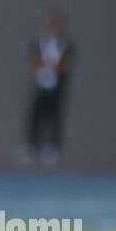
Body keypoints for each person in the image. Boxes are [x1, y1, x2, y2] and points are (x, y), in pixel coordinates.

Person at [25, 11, 74, 165]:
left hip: (57, 87)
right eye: (50, 23)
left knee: (55, 118)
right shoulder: (38, 43)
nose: (53, 26)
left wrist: (52, 65)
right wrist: (45, 65)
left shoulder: (66, 45)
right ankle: (32, 147)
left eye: (55, 23)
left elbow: (67, 65)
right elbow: (33, 63)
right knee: (35, 116)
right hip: (41, 86)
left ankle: (52, 148)